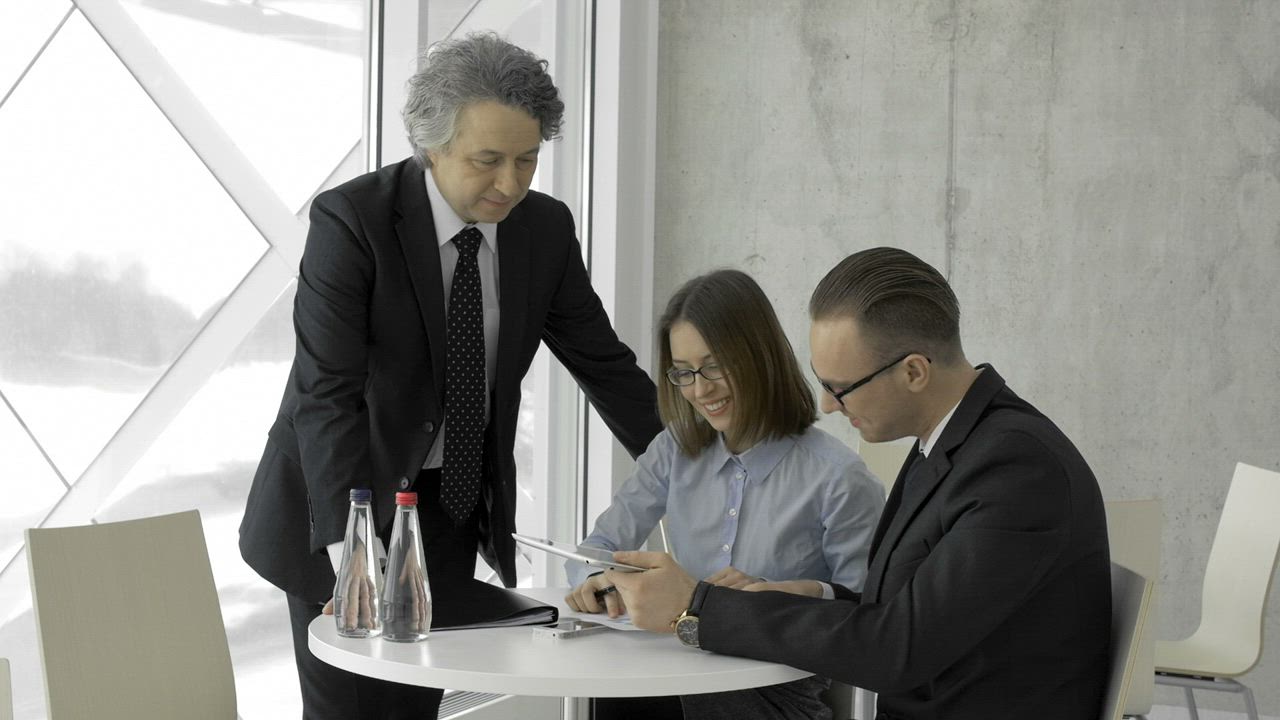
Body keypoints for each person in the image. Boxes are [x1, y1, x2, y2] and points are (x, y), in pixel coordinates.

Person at [238, 32, 662, 720]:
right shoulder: (353, 223)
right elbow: (327, 396)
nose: (511, 184)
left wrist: (706, 469)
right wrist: (355, 557)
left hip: (447, 508)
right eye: (487, 161)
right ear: (431, 147)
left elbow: (606, 367)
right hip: (344, 503)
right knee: (355, 710)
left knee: (412, 708)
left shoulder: (543, 230)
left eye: (528, 160)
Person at [609, 247, 1112, 720]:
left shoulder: (1016, 467)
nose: (827, 406)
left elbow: (896, 648)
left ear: (914, 371)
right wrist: (800, 591)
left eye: (840, 388)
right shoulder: (954, 444)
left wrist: (697, 606)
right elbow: (895, 613)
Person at [565, 269, 885, 720]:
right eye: (684, 373)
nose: (700, 389)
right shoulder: (673, 450)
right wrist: (596, 582)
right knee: (608, 694)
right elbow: (596, 550)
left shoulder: (838, 477)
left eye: (714, 366)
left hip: (769, 691)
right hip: (669, 673)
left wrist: (780, 595)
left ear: (759, 356)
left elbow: (866, 617)